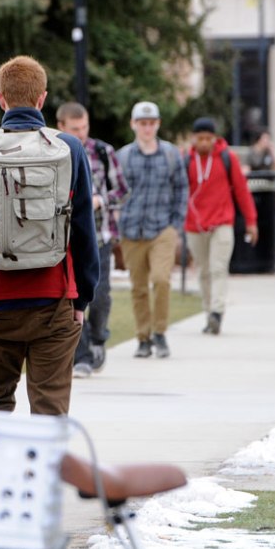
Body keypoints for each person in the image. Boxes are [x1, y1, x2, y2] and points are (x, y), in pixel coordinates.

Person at [0, 55, 98, 416]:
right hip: (53, 298)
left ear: (1, 98)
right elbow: (83, 228)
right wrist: (82, 299)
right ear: (42, 99)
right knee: (50, 409)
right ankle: (43, 474)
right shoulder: (69, 148)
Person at [56, 101, 128, 377]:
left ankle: (99, 337)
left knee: (100, 296)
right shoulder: (55, 151)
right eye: (75, 129)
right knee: (75, 296)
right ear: (61, 127)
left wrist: (100, 200)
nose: (81, 133)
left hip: (101, 235)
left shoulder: (103, 151)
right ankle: (82, 356)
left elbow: (121, 190)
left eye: (84, 127)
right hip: (67, 239)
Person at [115, 101, 188, 358]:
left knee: (161, 279)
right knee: (138, 287)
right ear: (134, 125)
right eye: (142, 123)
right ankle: (143, 337)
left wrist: (176, 224)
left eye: (151, 123)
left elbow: (181, 188)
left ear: (157, 124)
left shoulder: (170, 154)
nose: (147, 128)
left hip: (162, 228)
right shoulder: (123, 156)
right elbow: (115, 192)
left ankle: (160, 332)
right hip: (132, 229)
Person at [184, 117, 258, 335]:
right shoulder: (186, 160)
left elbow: (242, 191)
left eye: (209, 138)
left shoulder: (227, 158)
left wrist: (251, 221)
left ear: (215, 139)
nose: (205, 143)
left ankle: (217, 311)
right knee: (204, 271)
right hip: (195, 224)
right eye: (201, 139)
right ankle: (208, 313)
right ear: (194, 139)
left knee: (218, 268)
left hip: (222, 222)